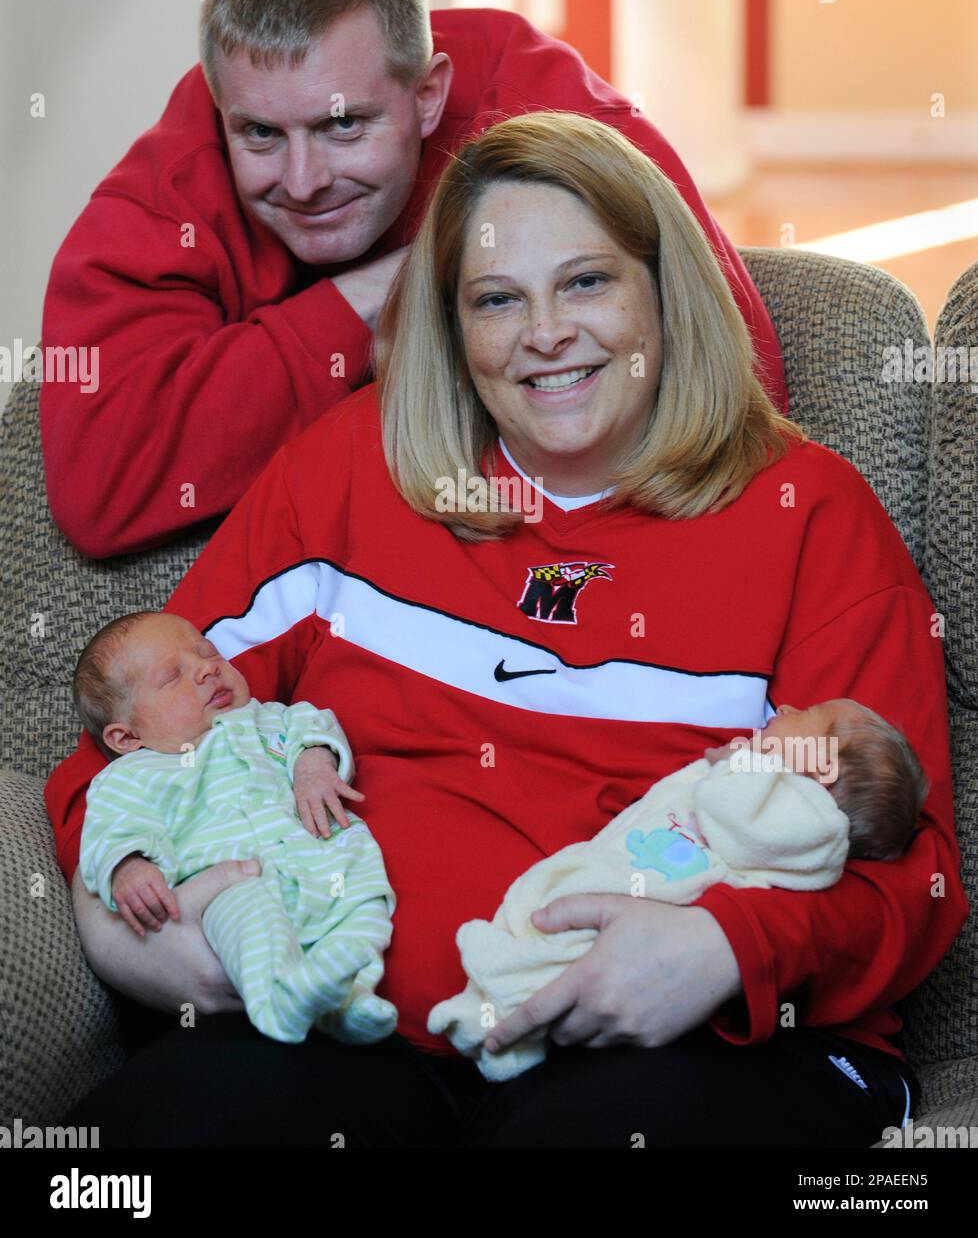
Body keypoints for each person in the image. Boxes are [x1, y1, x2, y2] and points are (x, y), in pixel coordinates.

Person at [47, 110, 967, 1148]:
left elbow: (914, 871)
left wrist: (722, 946)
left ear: (665, 289)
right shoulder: (348, 470)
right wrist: (136, 916)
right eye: (497, 299)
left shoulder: (811, 517)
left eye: (587, 282)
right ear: (452, 325)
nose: (545, 334)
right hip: (356, 1031)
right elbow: (126, 732)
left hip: (696, 1043)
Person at [40, 0, 787, 560]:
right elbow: (102, 486)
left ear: (428, 94)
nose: (302, 182)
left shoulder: (552, 117)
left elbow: (735, 394)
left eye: (343, 126)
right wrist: (397, 285)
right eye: (261, 134)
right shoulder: (178, 176)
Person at [427, 698, 930, 1080]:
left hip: (648, 912)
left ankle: (491, 1016)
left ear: (819, 768)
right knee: (551, 938)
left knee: (559, 955)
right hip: (641, 879)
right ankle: (494, 1010)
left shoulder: (801, 819)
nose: (792, 705)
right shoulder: (780, 799)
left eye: (811, 714)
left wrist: (745, 766)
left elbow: (735, 815)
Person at [75, 611, 397, 1046]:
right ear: (126, 738)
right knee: (248, 925)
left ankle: (349, 1000)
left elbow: (311, 724)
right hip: (231, 887)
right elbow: (109, 832)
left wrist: (313, 763)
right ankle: (278, 1000)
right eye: (173, 677)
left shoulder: (266, 719)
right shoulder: (132, 777)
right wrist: (128, 868)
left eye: (210, 654)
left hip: (322, 859)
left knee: (363, 906)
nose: (208, 668)